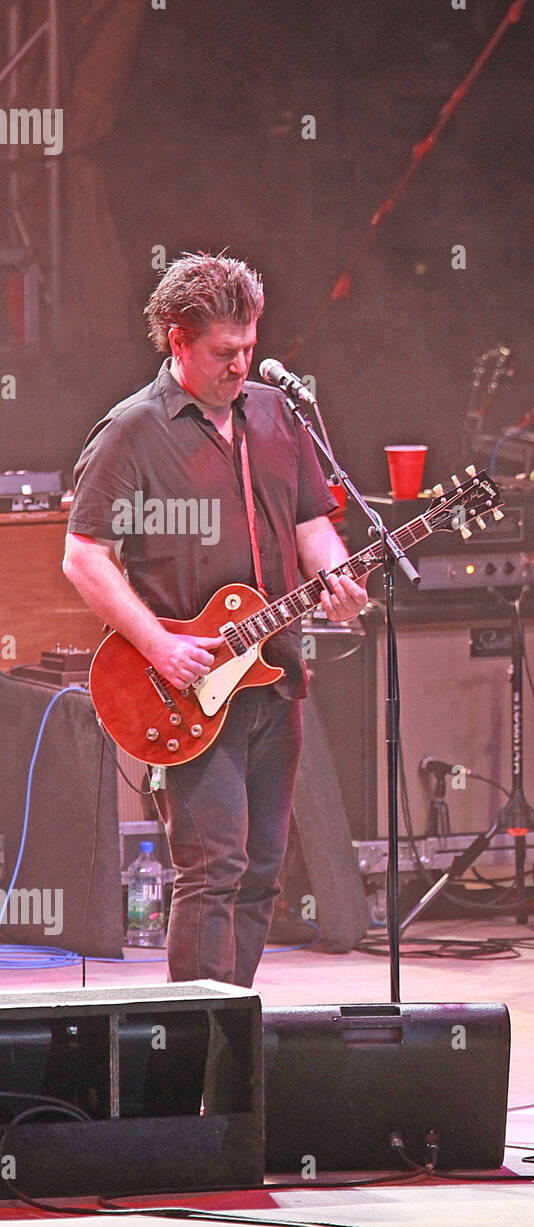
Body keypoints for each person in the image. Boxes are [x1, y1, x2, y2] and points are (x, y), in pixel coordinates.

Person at [63, 252, 366, 987]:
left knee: (262, 870)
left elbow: (310, 524)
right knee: (213, 868)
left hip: (275, 677)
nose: (242, 366)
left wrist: (336, 574)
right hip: (189, 690)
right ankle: (187, 1050)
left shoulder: (275, 414)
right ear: (177, 341)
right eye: (225, 353)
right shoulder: (133, 429)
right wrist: (160, 645)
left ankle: (235, 1037)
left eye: (251, 348)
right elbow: (83, 556)